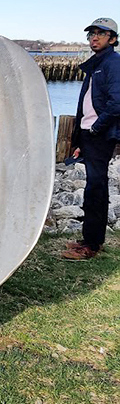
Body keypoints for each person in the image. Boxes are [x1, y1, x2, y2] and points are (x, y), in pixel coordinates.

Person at [62, 17, 120, 260]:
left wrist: (96, 128)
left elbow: (117, 102)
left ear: (113, 39)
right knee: (92, 188)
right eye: (91, 34)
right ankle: (89, 239)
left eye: (100, 33)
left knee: (96, 188)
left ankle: (91, 246)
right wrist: (80, 139)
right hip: (90, 134)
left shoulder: (113, 63)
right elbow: (86, 105)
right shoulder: (97, 64)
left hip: (99, 135)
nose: (94, 38)